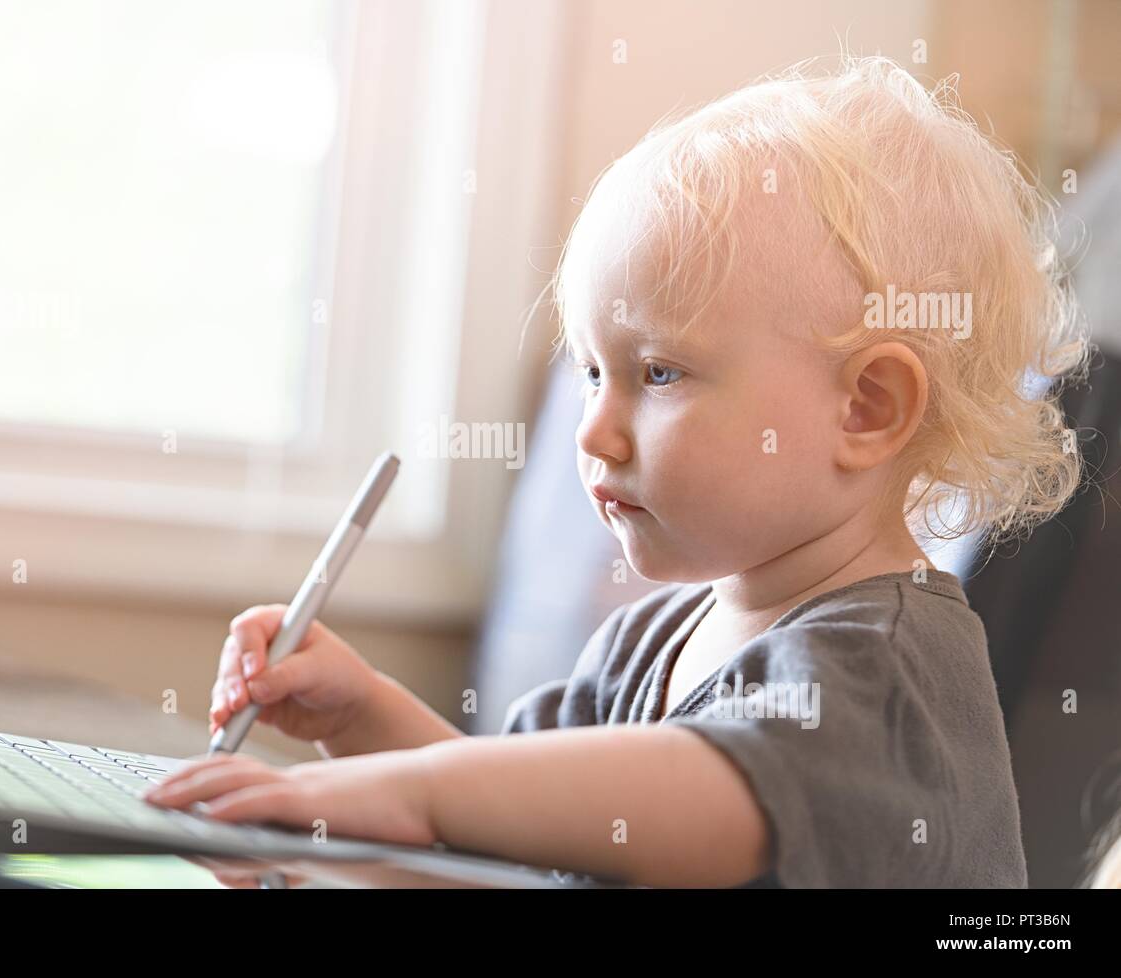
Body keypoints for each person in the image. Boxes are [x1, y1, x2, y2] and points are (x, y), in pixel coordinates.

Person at [146, 55, 1086, 888]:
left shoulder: (887, 666)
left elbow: (726, 796)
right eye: (594, 372)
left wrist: (397, 792)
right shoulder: (647, 647)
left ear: (866, 408)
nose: (593, 432)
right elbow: (518, 843)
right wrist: (363, 722)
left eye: (659, 373)